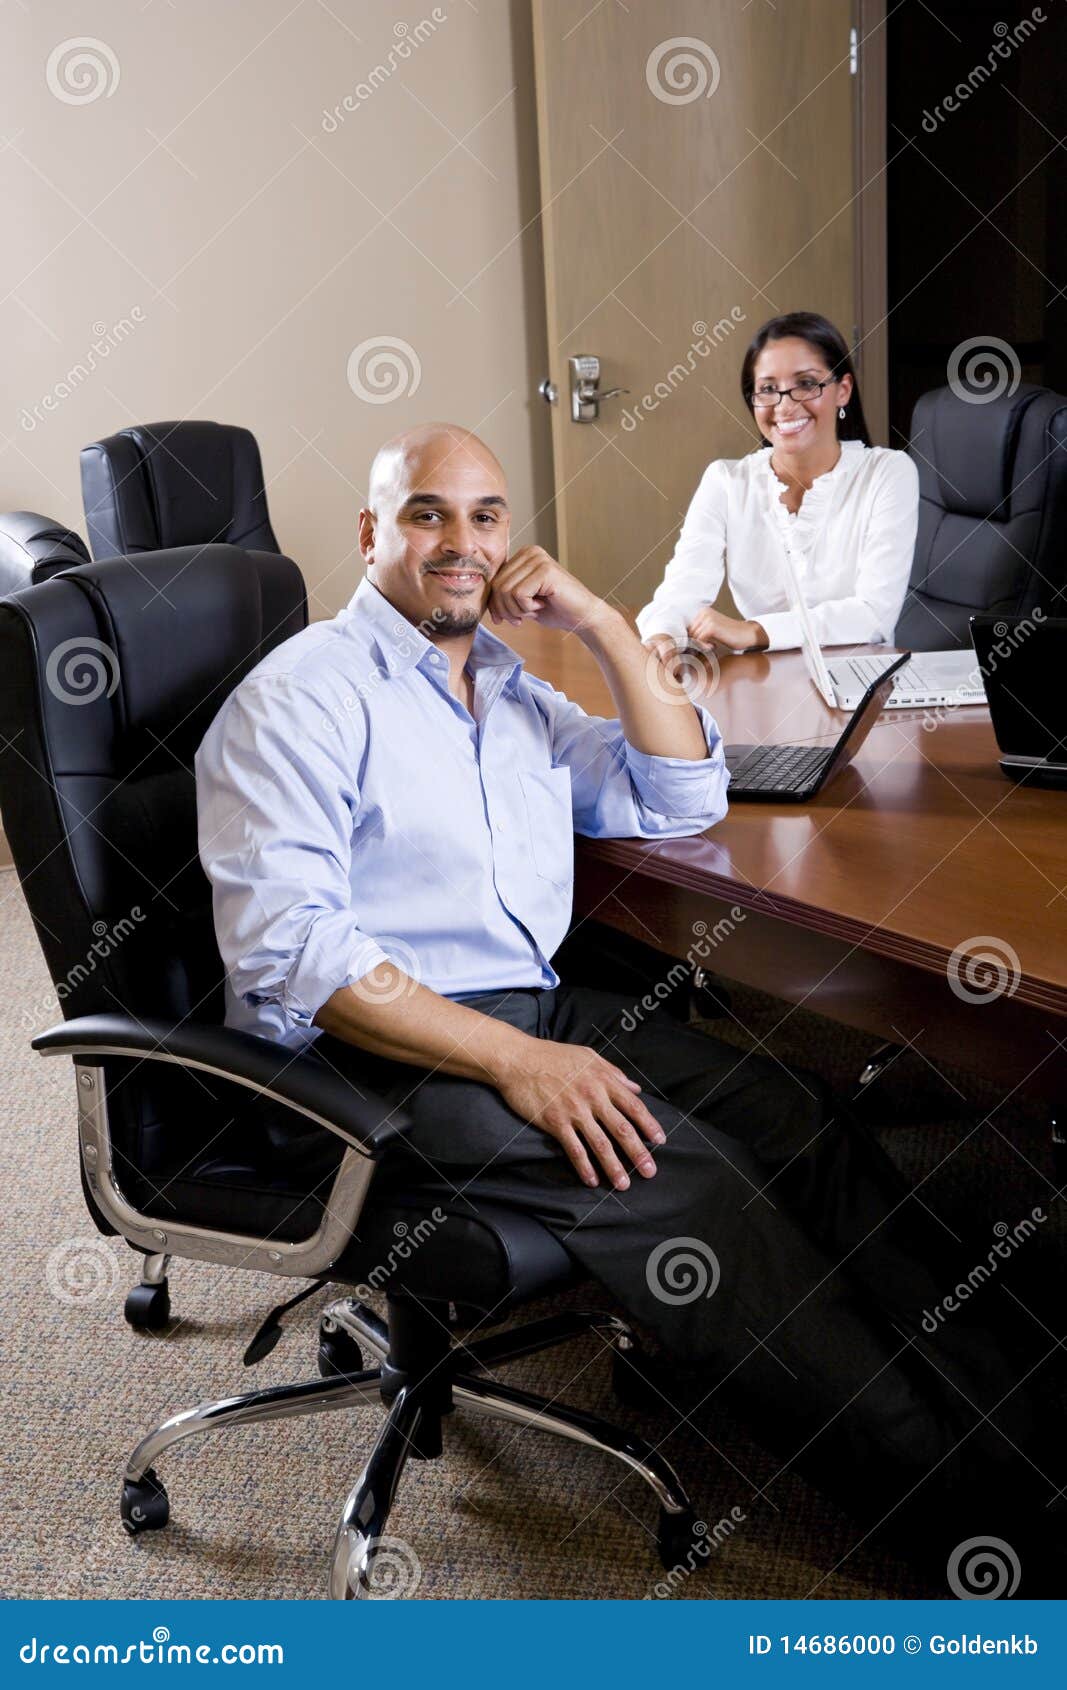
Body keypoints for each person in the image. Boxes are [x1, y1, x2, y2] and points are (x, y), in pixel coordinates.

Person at [196, 423, 1061, 1595]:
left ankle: (1018, 1398)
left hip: (514, 1011)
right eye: (426, 514)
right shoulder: (298, 700)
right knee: (692, 1183)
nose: (462, 542)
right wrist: (514, 1060)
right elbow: (295, 955)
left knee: (787, 1111)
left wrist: (599, 624)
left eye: (486, 515)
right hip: (365, 1064)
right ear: (368, 534)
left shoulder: (499, 685)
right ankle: (986, 1513)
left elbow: (677, 789)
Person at [637, 312, 919, 663]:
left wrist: (754, 630)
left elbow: (873, 616)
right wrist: (663, 634)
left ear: (842, 391)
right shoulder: (726, 481)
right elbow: (682, 588)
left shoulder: (888, 473)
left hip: (860, 679)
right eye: (768, 389)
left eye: (806, 383)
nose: (785, 406)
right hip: (764, 677)